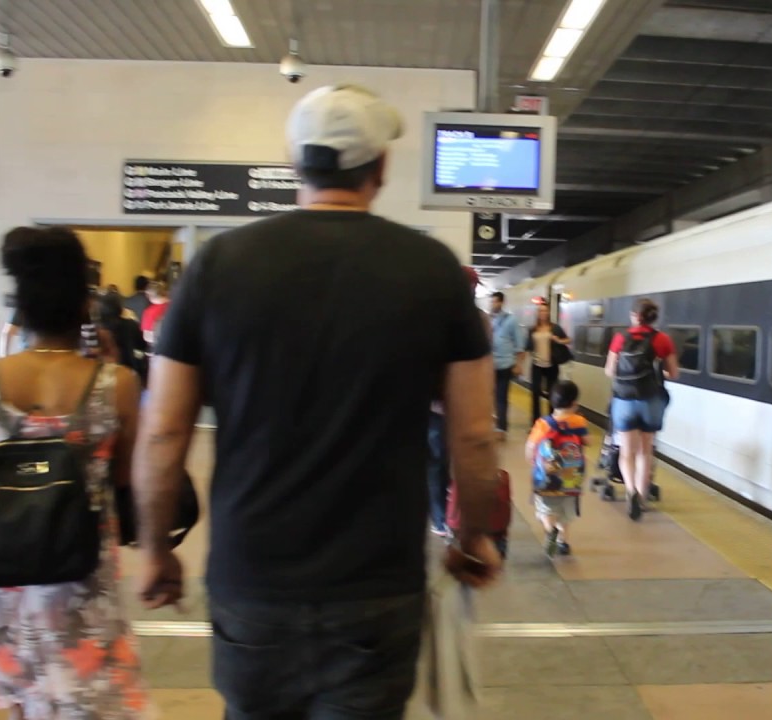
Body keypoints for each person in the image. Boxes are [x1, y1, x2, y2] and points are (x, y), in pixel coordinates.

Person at [131, 83, 503, 720]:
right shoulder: (433, 270)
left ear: (295, 164)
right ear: (380, 169)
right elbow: (472, 435)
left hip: (252, 579)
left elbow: (164, 434)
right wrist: (472, 538)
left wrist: (156, 548)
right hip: (376, 586)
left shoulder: (218, 265)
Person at [0, 226, 149, 719]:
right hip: (80, 586)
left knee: (22, 704)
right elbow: (125, 481)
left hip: (2, 587)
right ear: (84, 304)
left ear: (21, 307)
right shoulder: (114, 385)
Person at [604, 299, 679, 521]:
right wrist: (657, 374)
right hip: (650, 400)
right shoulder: (662, 339)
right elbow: (673, 373)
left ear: (634, 316)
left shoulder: (620, 338)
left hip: (624, 401)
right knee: (645, 451)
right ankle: (643, 496)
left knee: (626, 452)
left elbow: (609, 371)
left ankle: (630, 492)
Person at [427, 266, 487, 537]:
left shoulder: (431, 317)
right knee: (463, 462)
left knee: (438, 463)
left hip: (437, 405)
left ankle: (442, 517)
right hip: (463, 405)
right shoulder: (480, 320)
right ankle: (456, 517)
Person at [525, 380, 588, 557]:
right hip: (571, 477)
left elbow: (531, 445)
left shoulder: (543, 423)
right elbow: (588, 441)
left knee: (546, 508)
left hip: (546, 477)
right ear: (575, 404)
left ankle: (550, 529)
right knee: (565, 510)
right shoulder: (579, 421)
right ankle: (563, 542)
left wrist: (531, 459)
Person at [524, 300, 570, 422]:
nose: (543, 313)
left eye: (545, 310)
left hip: (551, 365)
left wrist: (559, 341)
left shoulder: (555, 328)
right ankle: (536, 422)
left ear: (548, 312)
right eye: (540, 311)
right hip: (536, 365)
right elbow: (528, 346)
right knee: (535, 393)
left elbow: (568, 340)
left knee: (552, 394)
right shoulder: (533, 329)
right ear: (537, 313)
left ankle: (551, 421)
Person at [488, 291, 526, 437]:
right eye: (492, 302)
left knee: (501, 396)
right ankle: (495, 420)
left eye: (496, 302)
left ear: (502, 303)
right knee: (490, 396)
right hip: (489, 366)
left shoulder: (511, 320)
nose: (493, 304)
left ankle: (501, 428)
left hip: (505, 365)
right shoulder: (489, 320)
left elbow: (520, 346)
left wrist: (518, 365)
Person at [99, 292, 149, 384]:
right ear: (120, 308)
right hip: (129, 372)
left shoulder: (97, 329)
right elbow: (143, 346)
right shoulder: (131, 325)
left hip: (101, 375)